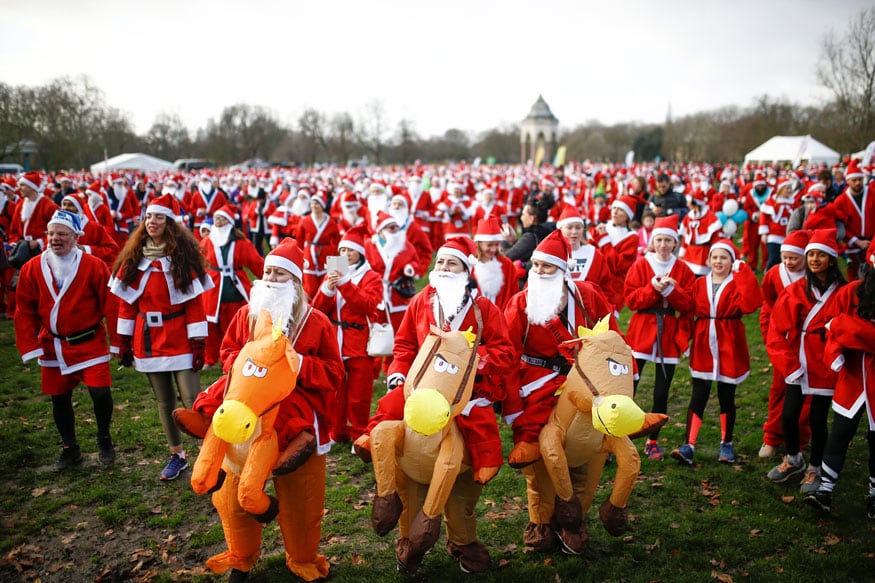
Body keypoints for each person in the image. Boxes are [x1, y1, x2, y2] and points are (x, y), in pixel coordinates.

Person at [179, 238, 343, 581]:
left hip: (298, 421)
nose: (269, 278)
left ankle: (302, 558)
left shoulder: (317, 323)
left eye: (280, 274)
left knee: (302, 499)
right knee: (231, 495)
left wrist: (299, 367)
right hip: (245, 415)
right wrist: (250, 366)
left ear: (296, 284)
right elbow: (228, 354)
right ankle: (241, 557)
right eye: (267, 271)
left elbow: (334, 373)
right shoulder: (245, 315)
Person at [359, 236, 516, 484]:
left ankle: (486, 461)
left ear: (466, 271)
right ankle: (372, 436)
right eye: (440, 262)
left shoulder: (483, 308)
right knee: (393, 401)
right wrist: (399, 372)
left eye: (452, 263)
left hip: (464, 383)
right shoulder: (421, 301)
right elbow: (405, 344)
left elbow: (505, 352)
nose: (443, 268)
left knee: (476, 415)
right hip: (423, 379)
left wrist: (473, 360)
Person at [109, 194, 212, 481]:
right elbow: (127, 303)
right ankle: (176, 454)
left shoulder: (182, 259)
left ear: (170, 224)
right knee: (164, 401)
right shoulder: (135, 259)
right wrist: (124, 341)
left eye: (159, 218)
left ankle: (210, 452)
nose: (152, 222)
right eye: (149, 217)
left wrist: (197, 344)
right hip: (148, 339)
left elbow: (194, 304)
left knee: (192, 398)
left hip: (179, 336)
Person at [503, 230, 620, 468]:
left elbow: (613, 336)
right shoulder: (520, 303)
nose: (537, 271)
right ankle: (528, 441)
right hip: (538, 374)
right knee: (538, 410)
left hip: (584, 370)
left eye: (546, 266)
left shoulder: (588, 295)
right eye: (535, 265)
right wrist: (512, 404)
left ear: (562, 270)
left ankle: (614, 435)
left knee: (606, 403)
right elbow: (508, 353)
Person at [14, 210, 116, 470]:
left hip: (89, 341)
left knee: (100, 393)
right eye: (50, 234)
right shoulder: (32, 268)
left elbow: (111, 305)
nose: (55, 239)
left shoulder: (93, 265)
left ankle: (104, 437)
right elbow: (24, 309)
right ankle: (70, 447)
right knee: (59, 398)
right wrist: (29, 345)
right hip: (53, 344)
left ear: (75, 237)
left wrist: (117, 342)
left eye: (62, 234)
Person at [766, 229, 845, 493]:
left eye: (820, 255)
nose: (814, 259)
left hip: (826, 362)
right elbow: (777, 327)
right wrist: (789, 363)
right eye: (810, 254)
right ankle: (793, 458)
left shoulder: (843, 292)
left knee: (818, 418)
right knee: (789, 415)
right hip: (799, 361)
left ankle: (815, 468)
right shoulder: (797, 289)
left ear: (831, 259)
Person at [671, 240, 761, 466]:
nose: (719, 261)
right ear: (708, 260)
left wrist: (744, 274)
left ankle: (726, 443)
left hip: (729, 341)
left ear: (733, 261)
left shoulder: (736, 283)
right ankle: (689, 445)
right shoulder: (699, 283)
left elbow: (751, 304)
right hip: (703, 342)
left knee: (726, 395)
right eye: (715, 257)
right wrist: (684, 340)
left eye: (724, 257)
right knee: (698, 394)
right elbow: (687, 308)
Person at [805, 245, 875, 516]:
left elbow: (840, 326)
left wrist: (848, 327)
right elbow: (830, 325)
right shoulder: (852, 291)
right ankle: (825, 489)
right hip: (854, 373)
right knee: (840, 432)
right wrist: (836, 347)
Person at [624, 215, 696, 461]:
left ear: (675, 243)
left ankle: (653, 439)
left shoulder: (683, 269)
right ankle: (621, 433)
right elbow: (630, 300)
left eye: (668, 240)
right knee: (631, 382)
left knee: (661, 390)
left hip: (669, 331)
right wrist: (652, 289)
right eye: (660, 240)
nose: (664, 245)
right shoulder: (641, 265)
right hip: (642, 327)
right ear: (653, 241)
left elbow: (688, 305)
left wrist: (670, 291)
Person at [311, 225, 383, 444]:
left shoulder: (371, 277)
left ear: (360, 253)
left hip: (359, 341)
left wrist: (344, 284)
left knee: (359, 395)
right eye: (342, 251)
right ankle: (337, 431)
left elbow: (367, 305)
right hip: (334, 341)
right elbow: (318, 310)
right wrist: (328, 290)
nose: (346, 255)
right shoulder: (332, 274)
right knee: (335, 392)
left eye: (350, 251)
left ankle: (360, 433)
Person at [758, 229, 811, 458]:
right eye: (785, 257)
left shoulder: (813, 276)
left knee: (808, 393)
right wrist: (770, 336)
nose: (788, 262)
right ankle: (772, 436)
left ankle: (798, 440)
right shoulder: (774, 274)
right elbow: (768, 305)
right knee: (779, 389)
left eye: (794, 258)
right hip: (782, 342)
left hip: (808, 343)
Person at [200, 205, 264, 369]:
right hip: (213, 287)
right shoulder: (207, 241)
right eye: (216, 219)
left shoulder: (242, 242)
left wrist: (268, 277)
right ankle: (210, 358)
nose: (219, 223)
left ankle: (237, 355)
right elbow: (198, 263)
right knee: (211, 324)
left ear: (229, 221)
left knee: (235, 323)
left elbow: (256, 263)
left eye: (222, 219)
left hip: (235, 287)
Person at [589, 195, 640, 312]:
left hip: (614, 289)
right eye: (614, 208)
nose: (615, 212)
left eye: (621, 209)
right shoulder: (601, 228)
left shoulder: (631, 238)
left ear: (628, 216)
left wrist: (604, 240)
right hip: (594, 284)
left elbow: (617, 265)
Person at [555, 205, 614, 307]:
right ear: (560, 230)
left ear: (583, 230)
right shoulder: (552, 254)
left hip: (590, 311)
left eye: (578, 227)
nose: (574, 232)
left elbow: (606, 286)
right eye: (569, 227)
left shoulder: (594, 254)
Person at [832, 159, 874, 280]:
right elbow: (840, 227)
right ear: (847, 181)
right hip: (852, 245)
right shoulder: (840, 201)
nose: (857, 183)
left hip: (873, 242)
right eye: (854, 180)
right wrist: (856, 241)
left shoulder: (873, 194)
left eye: (860, 179)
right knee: (854, 279)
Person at [295, 191, 340, 298]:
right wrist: (299, 256)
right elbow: (299, 240)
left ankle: (326, 308)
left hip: (326, 254)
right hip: (309, 254)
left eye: (317, 203)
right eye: (312, 203)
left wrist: (337, 260)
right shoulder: (304, 221)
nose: (314, 206)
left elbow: (337, 241)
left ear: (323, 205)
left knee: (329, 282)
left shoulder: (331, 222)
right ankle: (311, 308)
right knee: (310, 286)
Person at [471, 216, 519, 309]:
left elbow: (514, 294)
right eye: (489, 245)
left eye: (496, 244)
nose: (493, 249)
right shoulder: (470, 265)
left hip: (501, 317)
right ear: (479, 243)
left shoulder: (506, 264)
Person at [501, 193, 555, 276]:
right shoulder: (548, 232)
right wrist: (513, 241)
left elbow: (506, 257)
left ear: (531, 219)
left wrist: (504, 242)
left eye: (523, 214)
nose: (521, 218)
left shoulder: (530, 237)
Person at [679, 190, 723, 276]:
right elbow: (685, 238)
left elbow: (716, 241)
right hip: (689, 254)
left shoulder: (710, 217)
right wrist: (681, 253)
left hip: (703, 255)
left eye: (689, 202)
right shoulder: (689, 217)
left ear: (695, 203)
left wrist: (712, 257)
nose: (687, 204)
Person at [758, 178, 797, 270]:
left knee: (784, 258)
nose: (790, 190)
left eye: (791, 188)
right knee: (773, 257)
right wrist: (764, 233)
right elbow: (764, 217)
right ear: (781, 189)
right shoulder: (772, 202)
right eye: (787, 188)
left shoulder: (793, 202)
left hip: (788, 235)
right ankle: (769, 275)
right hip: (773, 235)